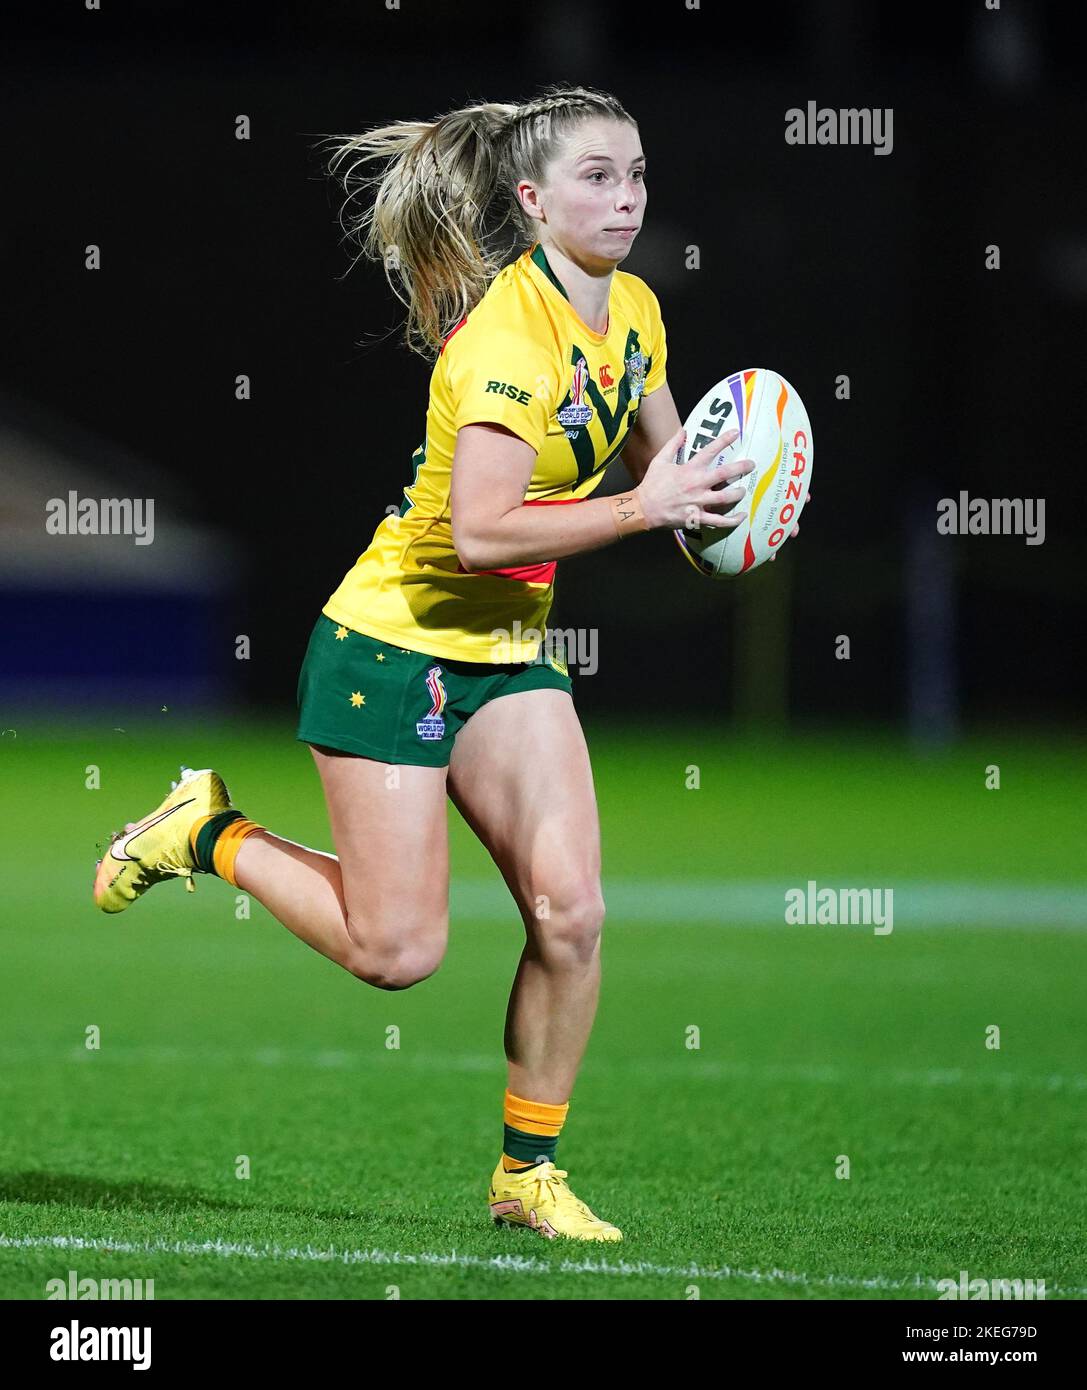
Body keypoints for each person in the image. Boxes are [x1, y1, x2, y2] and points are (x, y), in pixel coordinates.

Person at [93, 83, 794, 1242]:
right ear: (532, 199)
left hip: (507, 654)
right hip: (392, 646)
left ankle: (526, 1173)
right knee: (397, 951)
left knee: (571, 915)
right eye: (596, 178)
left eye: (636, 175)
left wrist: (738, 511)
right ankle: (204, 831)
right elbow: (484, 531)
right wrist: (642, 505)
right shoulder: (508, 343)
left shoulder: (638, 314)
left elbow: (682, 494)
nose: (626, 199)